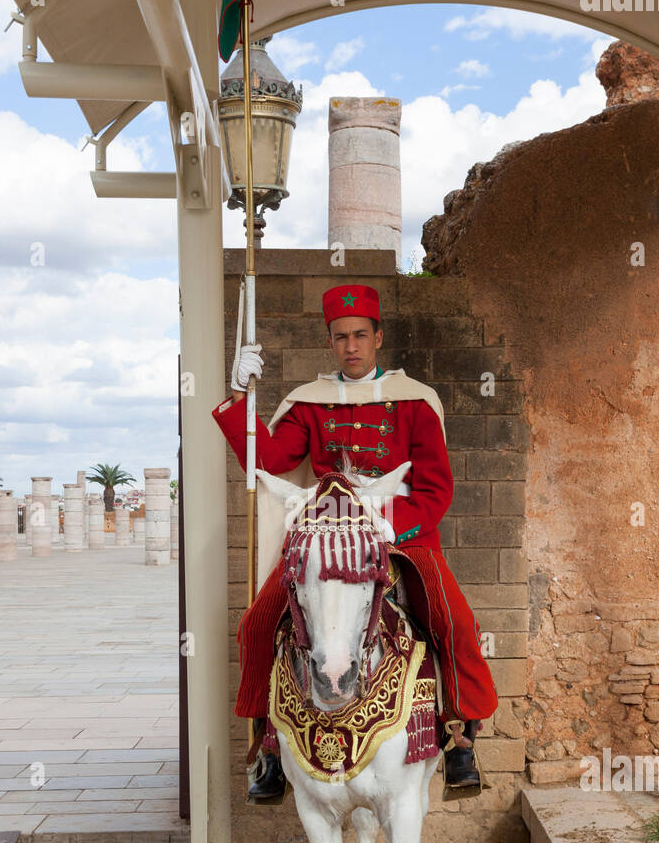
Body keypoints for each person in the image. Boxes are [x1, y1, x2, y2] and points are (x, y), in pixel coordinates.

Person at [212, 282, 498, 800]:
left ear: (378, 337)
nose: (351, 346)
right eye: (341, 337)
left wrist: (394, 524)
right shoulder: (310, 404)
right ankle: (271, 746)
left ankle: (460, 737)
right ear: (330, 342)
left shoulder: (416, 402)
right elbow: (269, 462)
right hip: (327, 529)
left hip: (399, 534)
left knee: (454, 621)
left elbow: (436, 490)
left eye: (360, 335)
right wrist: (240, 399)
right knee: (258, 623)